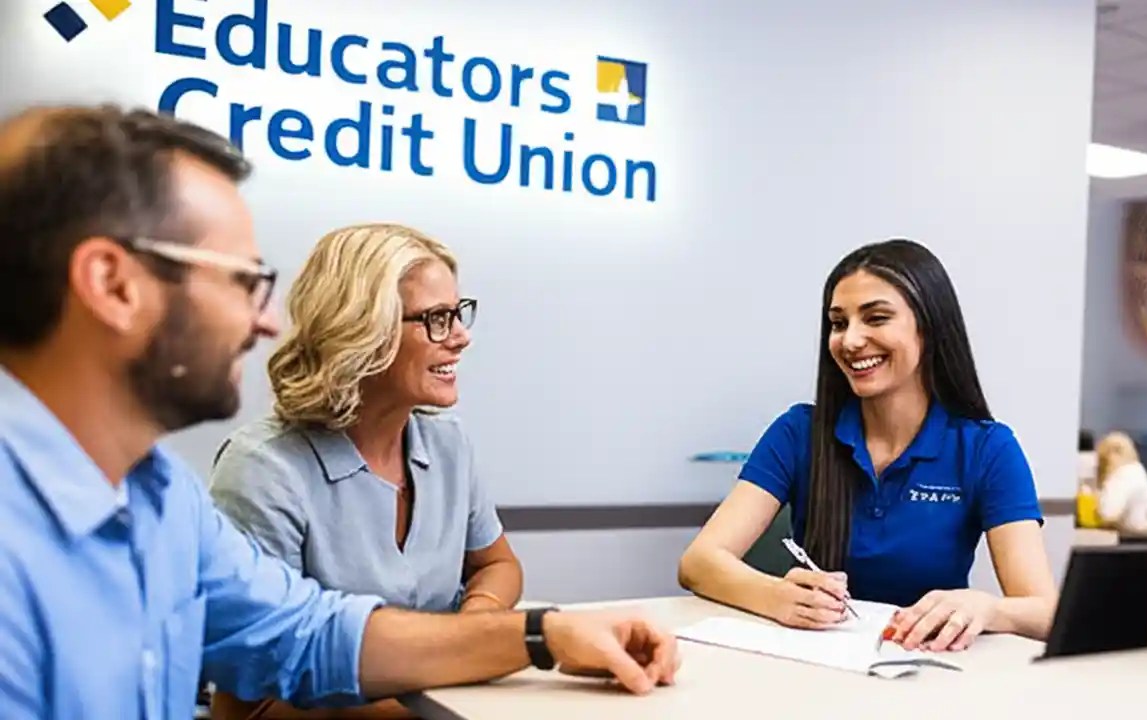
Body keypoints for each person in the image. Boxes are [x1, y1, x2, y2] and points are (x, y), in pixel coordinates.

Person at [0, 104, 678, 719]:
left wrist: (545, 634)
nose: (268, 322)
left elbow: (311, 634)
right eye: (242, 281)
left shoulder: (161, 496)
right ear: (113, 285)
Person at [678, 239, 1057, 652]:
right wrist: (774, 596)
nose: (851, 340)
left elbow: (1043, 612)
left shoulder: (988, 448)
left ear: (928, 329)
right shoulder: (797, 432)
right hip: (814, 668)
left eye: (875, 318)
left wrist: (986, 608)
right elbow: (698, 562)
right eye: (838, 323)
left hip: (926, 675)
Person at [208, 224, 523, 718]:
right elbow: (245, 707)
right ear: (362, 330)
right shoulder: (265, 468)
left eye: (458, 314)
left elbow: (497, 566)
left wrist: (475, 629)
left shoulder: (448, 444)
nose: (461, 337)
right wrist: (437, 704)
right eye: (437, 319)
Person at [1093, 431, 1147, 534]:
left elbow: (1108, 512)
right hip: (1141, 532)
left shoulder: (1122, 475)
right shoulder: (1137, 470)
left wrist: (1094, 497)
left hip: (1128, 537)